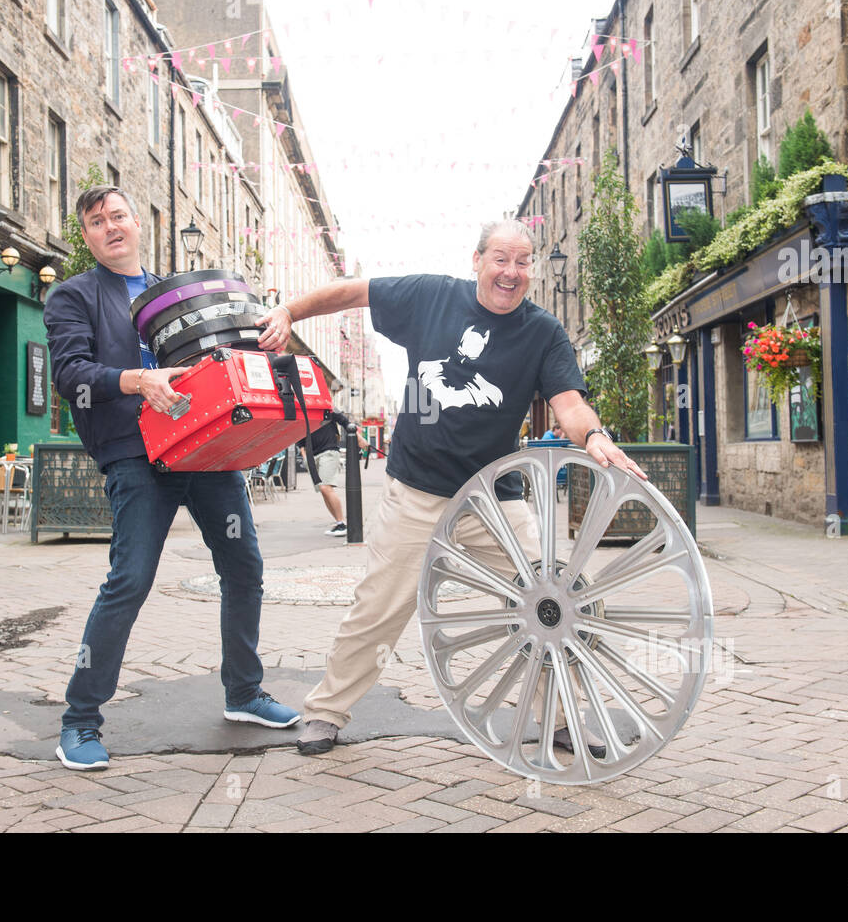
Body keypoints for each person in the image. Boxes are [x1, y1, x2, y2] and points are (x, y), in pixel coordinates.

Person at [255, 218, 646, 757]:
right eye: (501, 259)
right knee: (378, 607)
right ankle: (325, 713)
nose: (511, 272)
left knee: (551, 600)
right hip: (417, 489)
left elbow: (569, 402)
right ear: (478, 260)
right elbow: (355, 291)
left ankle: (556, 718)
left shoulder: (542, 332)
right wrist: (289, 311)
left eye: (522, 261)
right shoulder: (431, 297)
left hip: (494, 497)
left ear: (531, 268)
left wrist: (595, 436)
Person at [44, 186, 299, 771]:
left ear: (136, 223)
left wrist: (268, 333)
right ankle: (79, 722)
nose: (110, 227)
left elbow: (223, 350)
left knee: (243, 568)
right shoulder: (73, 296)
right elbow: (69, 373)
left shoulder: (172, 293)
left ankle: (244, 693)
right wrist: (138, 381)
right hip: (137, 453)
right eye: (96, 221)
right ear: (85, 236)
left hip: (207, 446)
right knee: (129, 580)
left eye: (118, 216)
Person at [307, 420, 368, 535]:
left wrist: (358, 437)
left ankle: (343, 524)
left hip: (328, 450)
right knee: (323, 490)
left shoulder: (325, 404)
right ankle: (339, 523)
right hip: (312, 453)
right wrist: (305, 456)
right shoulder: (300, 407)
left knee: (326, 487)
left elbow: (343, 420)